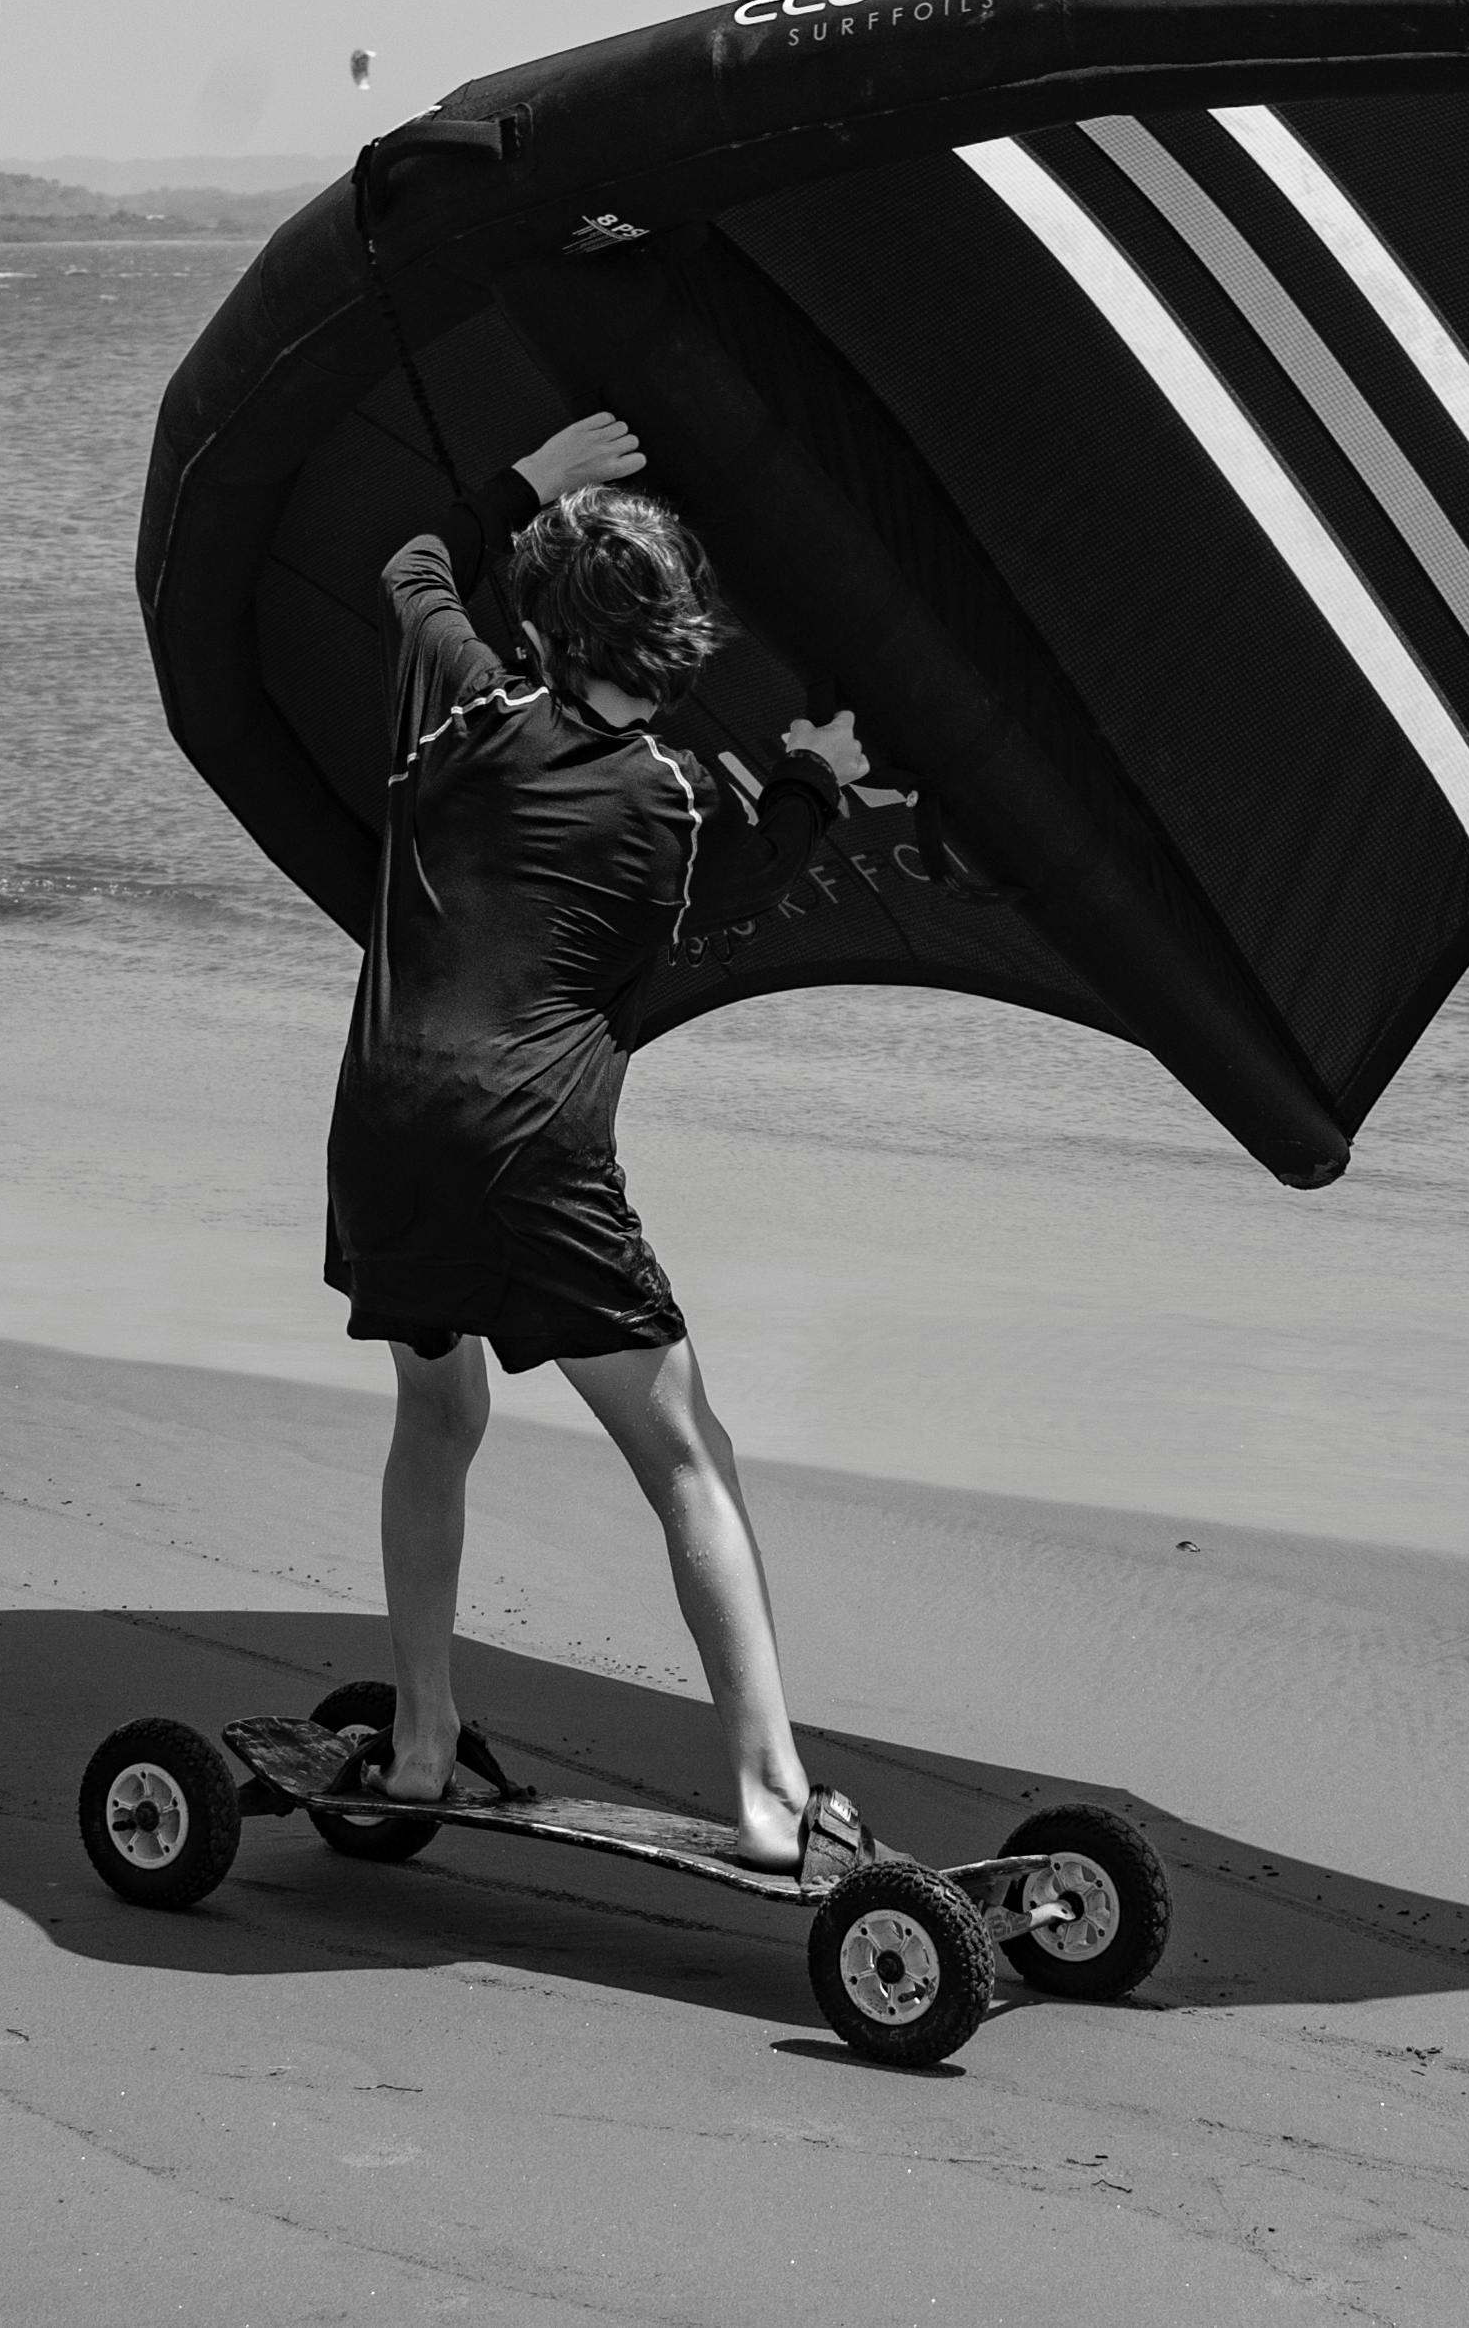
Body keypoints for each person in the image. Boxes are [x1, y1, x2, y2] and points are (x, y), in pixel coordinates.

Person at [328, 408, 869, 1875]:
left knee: (434, 1419)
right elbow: (770, 868)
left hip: (382, 1125)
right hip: (529, 1156)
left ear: (538, 621)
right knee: (687, 1452)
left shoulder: (450, 702)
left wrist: (542, 476)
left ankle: (427, 1734)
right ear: (683, 645)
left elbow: (414, 564)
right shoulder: (679, 804)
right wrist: (820, 760)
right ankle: (768, 1792)